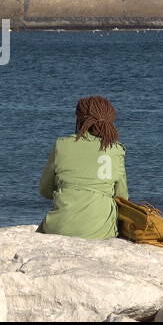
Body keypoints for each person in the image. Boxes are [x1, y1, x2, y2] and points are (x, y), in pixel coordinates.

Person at [37, 96, 127, 240]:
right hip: (100, 231)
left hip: (58, 227)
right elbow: (122, 197)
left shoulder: (62, 145)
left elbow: (45, 190)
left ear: (79, 119)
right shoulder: (115, 150)